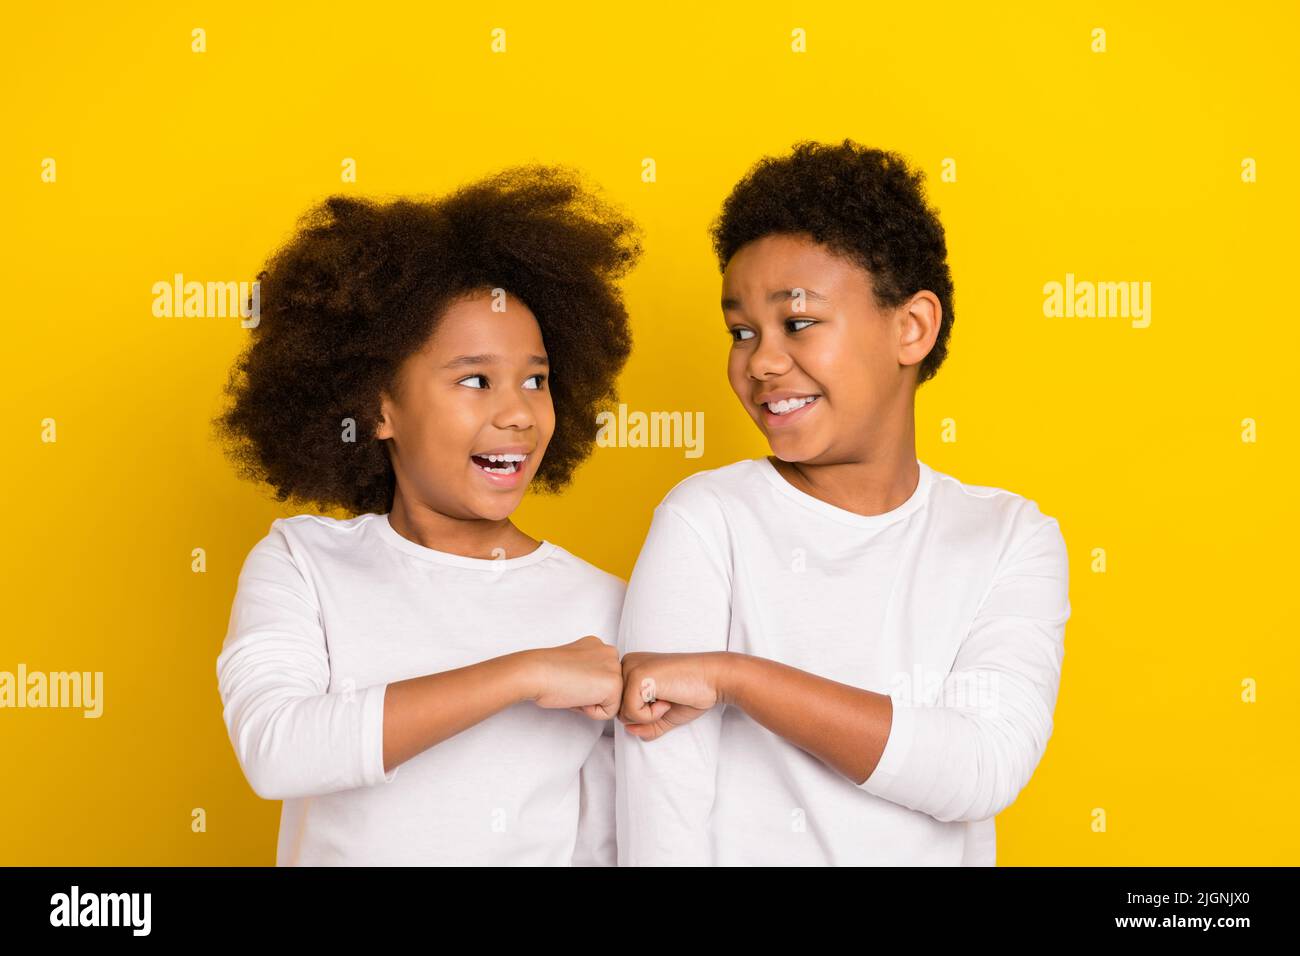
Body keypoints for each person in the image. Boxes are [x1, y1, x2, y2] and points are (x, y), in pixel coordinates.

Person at [614, 140, 1072, 865]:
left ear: (911, 328)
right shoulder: (706, 521)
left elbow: (982, 767)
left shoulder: (1009, 537)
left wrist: (737, 677)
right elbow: (661, 814)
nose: (760, 360)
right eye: (741, 332)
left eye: (797, 323)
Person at [214, 165, 642, 865]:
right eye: (475, 380)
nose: (518, 413)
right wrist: (522, 674)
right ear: (380, 405)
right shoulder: (302, 563)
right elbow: (277, 749)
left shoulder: (604, 606)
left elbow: (605, 842)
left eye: (535, 380)